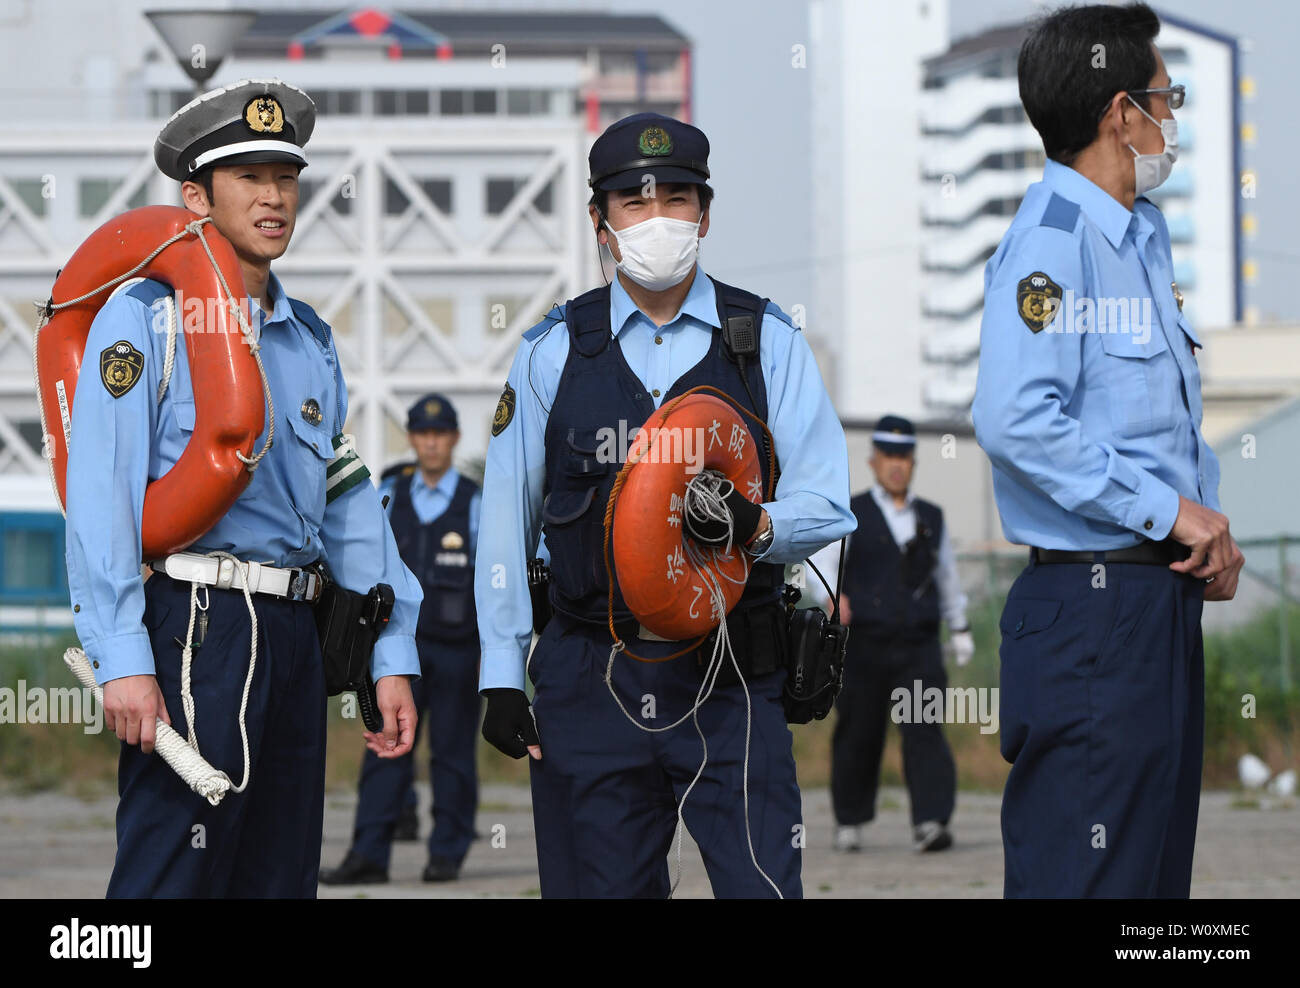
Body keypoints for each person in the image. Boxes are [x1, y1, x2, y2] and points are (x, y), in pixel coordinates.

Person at [474, 112, 854, 898]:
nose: (658, 221)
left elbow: (827, 503)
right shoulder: (551, 350)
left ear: (706, 214)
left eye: (677, 199)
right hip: (589, 670)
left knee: (762, 888)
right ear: (599, 221)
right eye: (633, 202)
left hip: (732, 676)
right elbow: (507, 522)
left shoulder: (766, 342)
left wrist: (757, 527)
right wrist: (502, 673)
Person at [63, 79, 422, 898]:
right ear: (196, 196)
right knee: (169, 876)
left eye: (286, 178)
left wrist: (389, 653)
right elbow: (101, 496)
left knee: (280, 878)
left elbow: (349, 507)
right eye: (249, 178)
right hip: (196, 624)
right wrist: (121, 655)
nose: (274, 196)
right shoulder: (144, 321)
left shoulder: (309, 339)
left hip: (297, 635)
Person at [971, 4, 1243, 898]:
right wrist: (1171, 511)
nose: (1174, 118)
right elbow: (1015, 420)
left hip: (1154, 599)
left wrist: (1201, 527)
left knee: (1152, 885)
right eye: (1167, 97)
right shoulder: (1055, 243)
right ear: (1120, 112)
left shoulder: (1140, 239)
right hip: (1092, 611)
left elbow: (1152, 420)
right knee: (1088, 881)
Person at [321, 393, 482, 884]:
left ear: (453, 438)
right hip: (393, 651)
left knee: (453, 756)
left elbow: (494, 572)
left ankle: (446, 855)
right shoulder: (389, 487)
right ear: (411, 438)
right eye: (422, 433)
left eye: (440, 433)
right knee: (385, 749)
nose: (431, 442)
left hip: (456, 650)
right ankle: (369, 854)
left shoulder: (475, 501)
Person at [827, 416, 973, 854]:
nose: (896, 465)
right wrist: (833, 598)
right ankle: (849, 821)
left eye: (904, 456)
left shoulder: (931, 517)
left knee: (924, 728)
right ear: (874, 461)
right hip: (863, 645)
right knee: (858, 731)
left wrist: (959, 626)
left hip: (918, 644)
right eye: (888, 456)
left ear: (913, 461)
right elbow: (826, 565)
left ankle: (931, 821)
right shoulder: (850, 512)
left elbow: (945, 576)